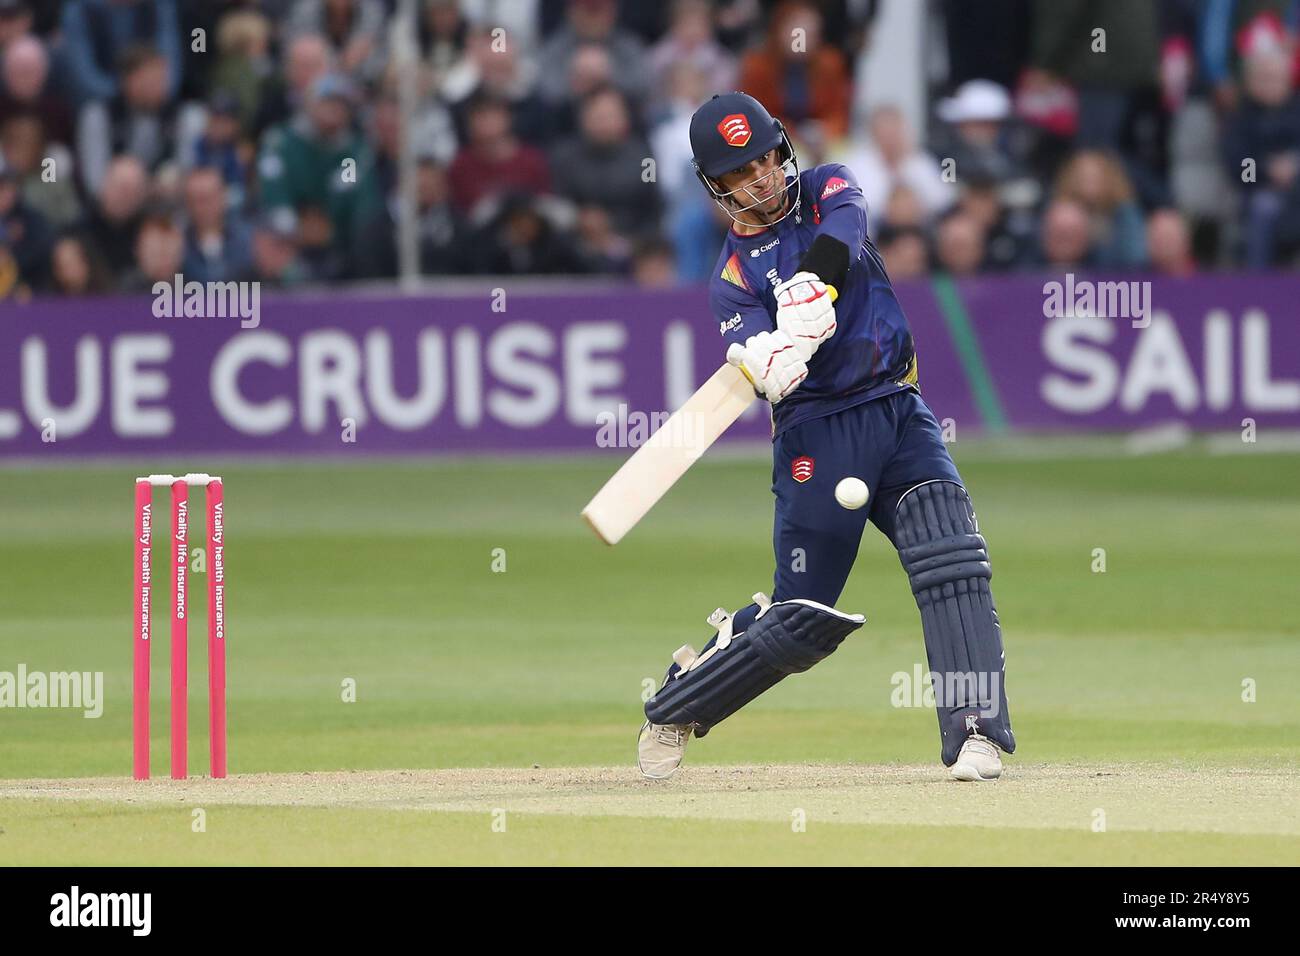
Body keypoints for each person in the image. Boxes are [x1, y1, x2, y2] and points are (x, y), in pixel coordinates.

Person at [636, 93, 1016, 783]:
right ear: (715, 187)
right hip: (817, 435)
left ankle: (975, 733)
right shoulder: (732, 280)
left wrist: (814, 289)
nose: (761, 179)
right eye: (740, 173)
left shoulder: (827, 186)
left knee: (952, 557)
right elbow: (756, 362)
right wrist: (770, 361)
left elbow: (845, 228)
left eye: (765, 160)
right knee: (801, 619)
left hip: (898, 405)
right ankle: (680, 700)